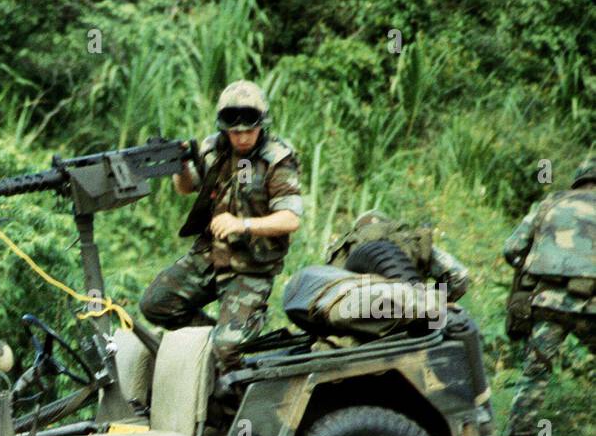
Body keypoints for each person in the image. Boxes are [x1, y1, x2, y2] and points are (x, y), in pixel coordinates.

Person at [138, 80, 302, 369]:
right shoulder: (214, 148)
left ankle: (229, 361)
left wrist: (243, 224)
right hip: (210, 256)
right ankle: (214, 340)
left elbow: (290, 219)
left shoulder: (277, 159)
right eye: (234, 132)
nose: (241, 138)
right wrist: (181, 166)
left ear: (262, 124)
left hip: (250, 267)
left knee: (225, 351)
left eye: (249, 131)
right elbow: (187, 188)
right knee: (155, 305)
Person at [500, 154, 596, 436]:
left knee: (534, 377)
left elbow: (512, 249)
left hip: (548, 305)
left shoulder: (548, 204)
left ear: (578, 179)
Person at [326, 210, 471, 301]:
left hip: (359, 330)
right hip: (413, 326)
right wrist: (432, 299)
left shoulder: (343, 248)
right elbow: (459, 277)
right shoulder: (409, 239)